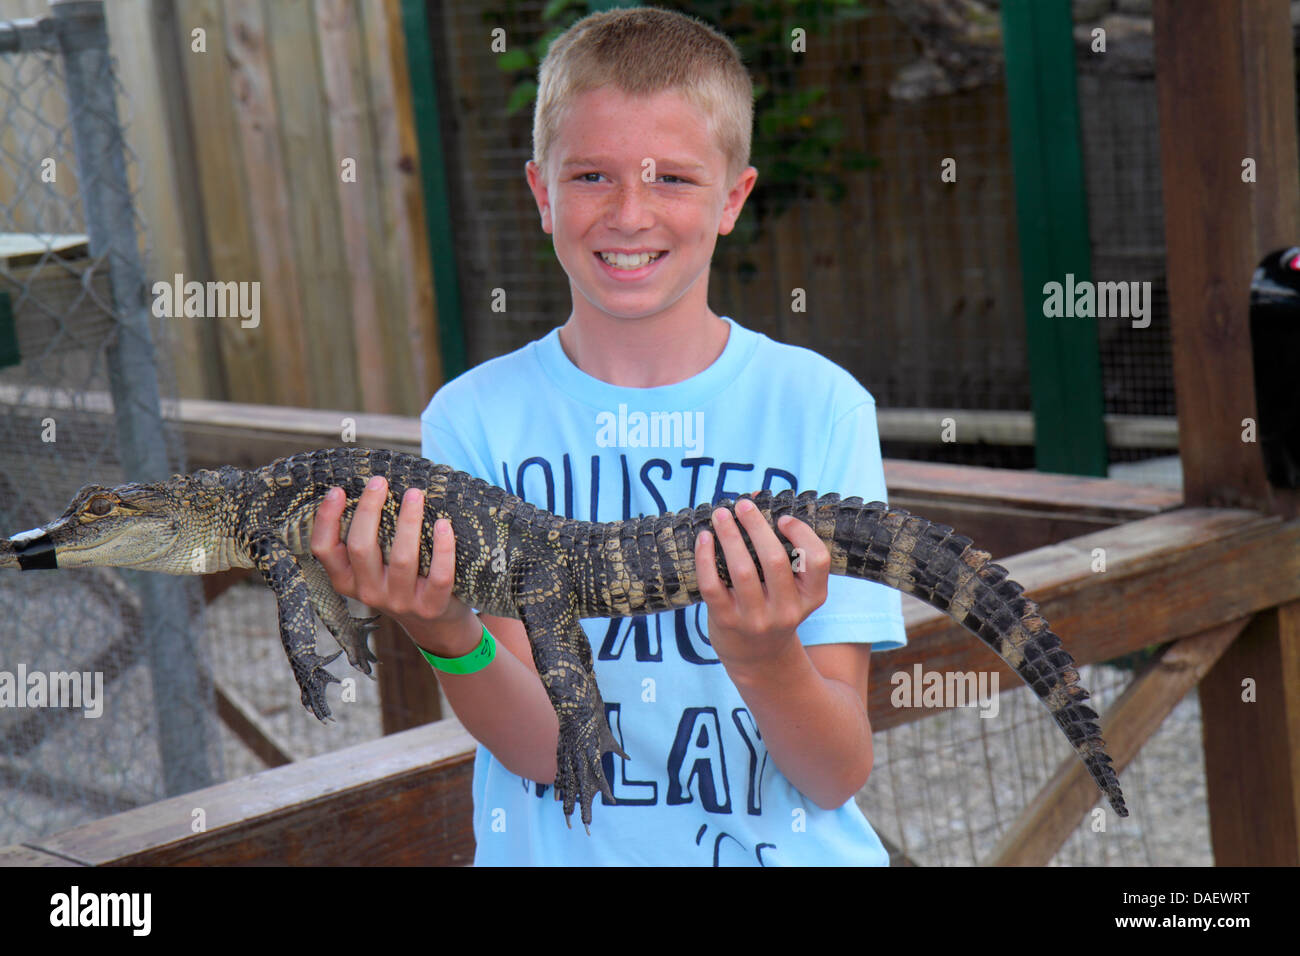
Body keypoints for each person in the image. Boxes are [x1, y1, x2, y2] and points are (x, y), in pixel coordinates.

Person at [311, 5, 906, 865]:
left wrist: (768, 655)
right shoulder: (472, 419)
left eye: (672, 179)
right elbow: (546, 752)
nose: (630, 214)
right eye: (591, 176)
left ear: (734, 198)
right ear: (541, 193)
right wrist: (443, 632)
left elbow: (836, 773)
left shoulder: (820, 406)